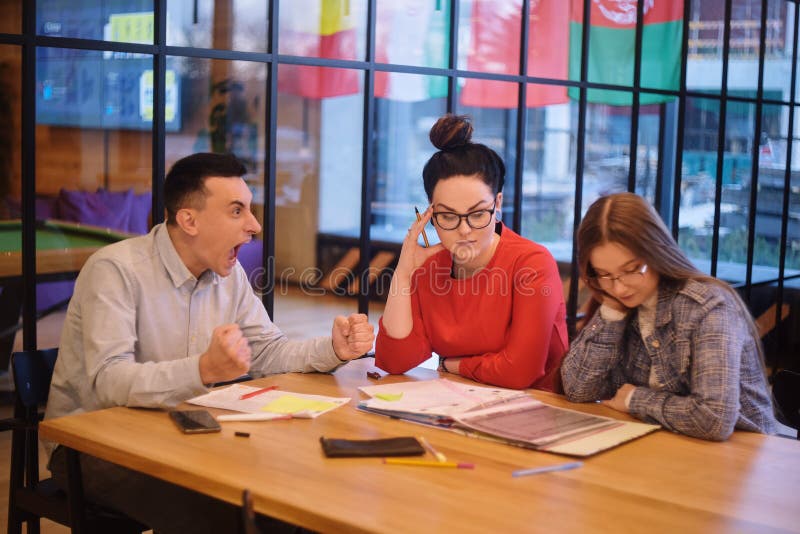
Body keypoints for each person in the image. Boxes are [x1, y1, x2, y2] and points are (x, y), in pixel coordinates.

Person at [44, 152, 375, 533]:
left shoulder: (226, 274)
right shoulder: (115, 271)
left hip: (181, 433)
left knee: (291, 499)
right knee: (234, 515)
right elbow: (109, 382)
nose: (253, 225)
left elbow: (266, 351)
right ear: (189, 220)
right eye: (237, 211)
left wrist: (333, 349)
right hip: (91, 447)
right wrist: (203, 370)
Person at [561, 192, 777, 441]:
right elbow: (578, 389)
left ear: (656, 252)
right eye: (604, 274)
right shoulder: (620, 301)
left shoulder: (708, 307)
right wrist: (610, 310)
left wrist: (634, 399)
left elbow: (715, 418)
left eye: (631, 270)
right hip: (664, 445)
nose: (620, 288)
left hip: (743, 455)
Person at [375, 114, 568, 391]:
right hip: (461, 404)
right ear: (429, 212)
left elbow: (520, 372)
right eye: (448, 216)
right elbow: (393, 360)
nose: (464, 230)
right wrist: (403, 274)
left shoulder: (531, 263)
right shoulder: (430, 266)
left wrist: (455, 365)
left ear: (497, 203)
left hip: (540, 409)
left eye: (477, 214)